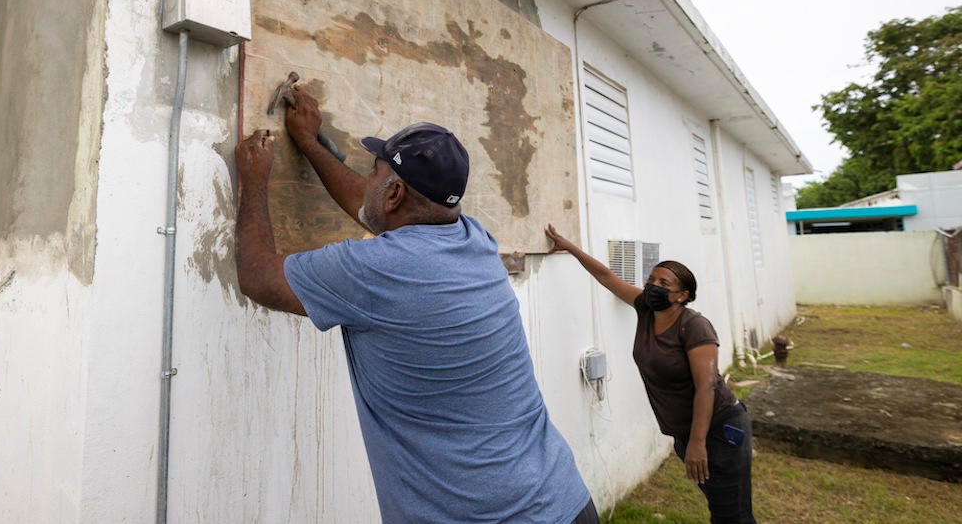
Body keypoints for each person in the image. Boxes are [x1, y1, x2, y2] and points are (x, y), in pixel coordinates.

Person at [233, 85, 597, 523]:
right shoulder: (474, 239)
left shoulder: (375, 271)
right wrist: (309, 143)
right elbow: (367, 206)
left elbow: (256, 276)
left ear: (394, 195)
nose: (366, 181)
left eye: (374, 172)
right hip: (563, 500)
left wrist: (254, 180)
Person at [545, 225, 755, 524]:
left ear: (682, 295)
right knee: (721, 506)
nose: (653, 285)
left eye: (663, 282)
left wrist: (697, 443)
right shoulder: (645, 308)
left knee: (732, 515)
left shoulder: (694, 326)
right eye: (651, 279)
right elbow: (607, 278)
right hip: (686, 432)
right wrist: (568, 246)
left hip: (719, 430)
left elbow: (707, 386)